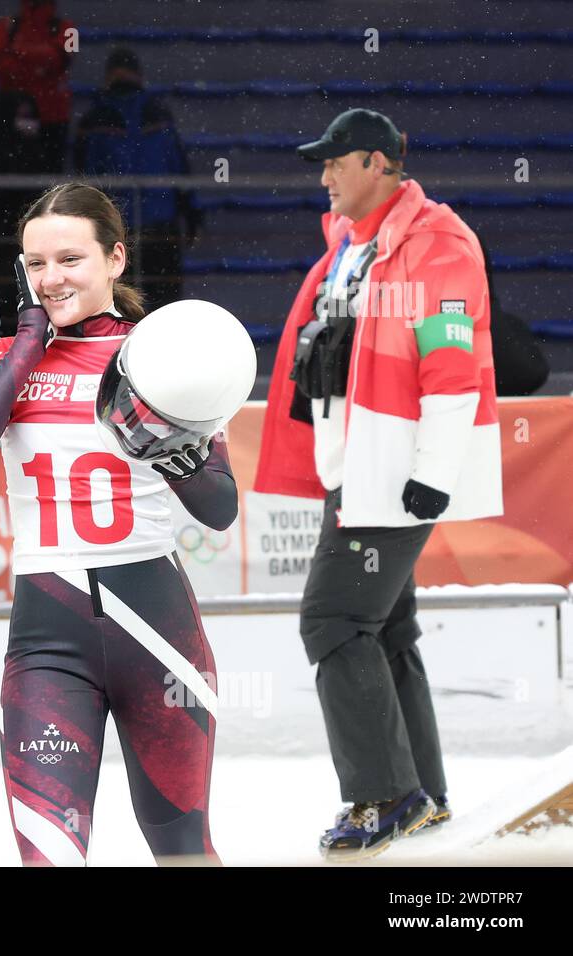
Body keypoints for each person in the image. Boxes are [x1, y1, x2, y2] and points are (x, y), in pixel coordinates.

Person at [0, 182, 234, 866]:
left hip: (159, 638)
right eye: (35, 264)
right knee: (50, 857)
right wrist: (29, 343)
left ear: (115, 260)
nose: (51, 278)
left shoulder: (164, 357)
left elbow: (218, 507)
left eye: (70, 259)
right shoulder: (5, 359)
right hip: (49, 646)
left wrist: (166, 441)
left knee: (183, 847)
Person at [253, 109, 504, 860]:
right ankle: (422, 792)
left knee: (332, 623)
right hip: (358, 468)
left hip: (393, 476)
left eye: (334, 162)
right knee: (385, 631)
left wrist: (431, 472)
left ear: (376, 163)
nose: (323, 176)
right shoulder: (352, 248)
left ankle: (385, 797)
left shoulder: (437, 243)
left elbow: (451, 363)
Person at [76, 47, 201, 312]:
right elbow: (180, 169)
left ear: (109, 75)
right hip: (160, 227)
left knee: (121, 308)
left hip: (116, 228)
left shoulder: (94, 118)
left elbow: (82, 178)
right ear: (139, 75)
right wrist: (191, 215)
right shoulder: (158, 113)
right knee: (164, 309)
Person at [0, 0, 76, 172]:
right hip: (12, 120)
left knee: (50, 183)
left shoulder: (70, 29)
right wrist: (41, 63)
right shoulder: (4, 26)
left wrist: (18, 54)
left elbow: (64, 60)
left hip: (54, 119)